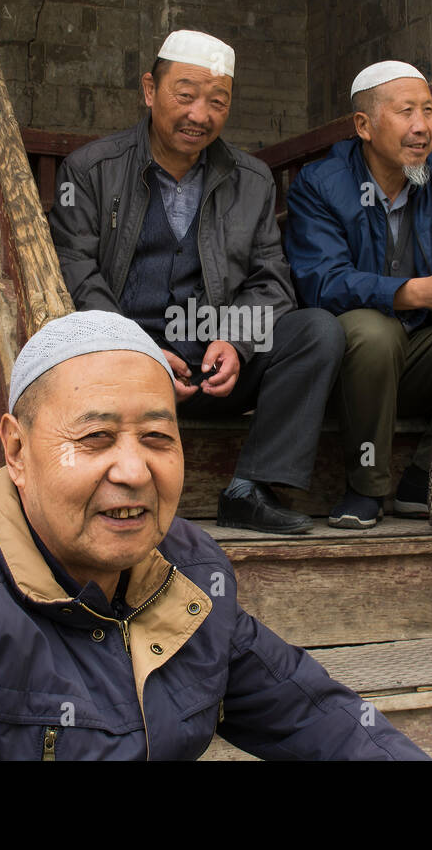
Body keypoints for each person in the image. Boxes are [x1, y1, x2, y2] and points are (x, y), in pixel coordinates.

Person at [0, 311, 428, 760]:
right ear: (16, 449)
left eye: (159, 439)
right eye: (95, 439)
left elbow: (319, 718)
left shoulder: (186, 573)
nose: (134, 472)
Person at [46, 29, 344, 535]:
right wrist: (135, 349)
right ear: (149, 90)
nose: (199, 115)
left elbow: (272, 280)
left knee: (318, 331)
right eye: (185, 95)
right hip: (119, 367)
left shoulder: (251, 179)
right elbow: (74, 269)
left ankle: (250, 487)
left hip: (211, 364)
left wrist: (237, 340)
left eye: (217, 102)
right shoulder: (91, 169)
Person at [284, 61, 432, 530]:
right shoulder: (320, 184)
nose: (422, 127)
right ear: (364, 126)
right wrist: (414, 291)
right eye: (406, 111)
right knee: (375, 331)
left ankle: (423, 477)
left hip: (418, 357)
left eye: (428, 111)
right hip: (349, 367)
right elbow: (322, 282)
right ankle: (366, 486)